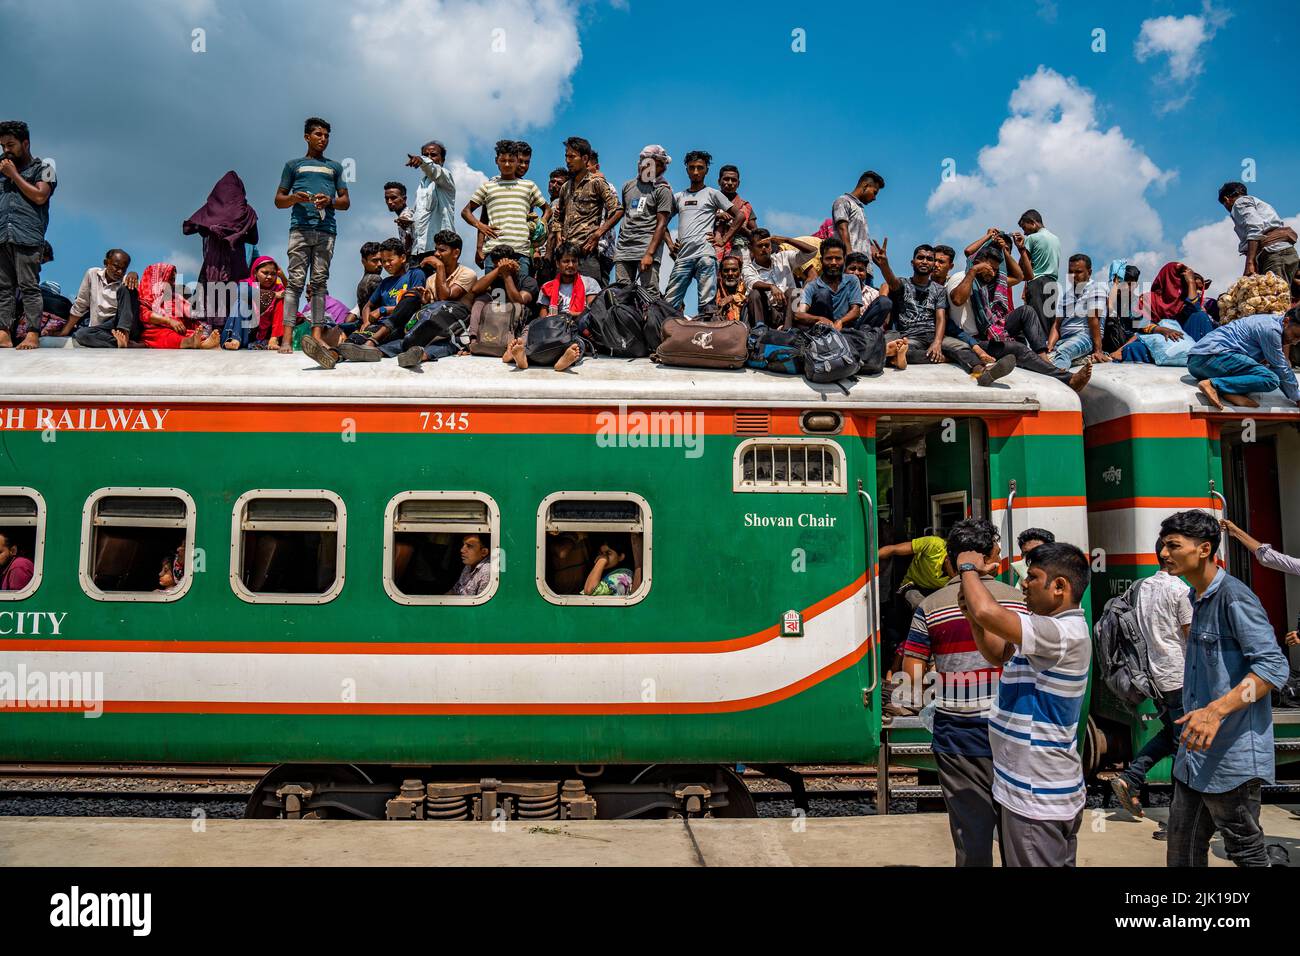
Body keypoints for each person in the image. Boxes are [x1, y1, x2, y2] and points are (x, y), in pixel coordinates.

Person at [1157, 510, 1291, 867]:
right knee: (1181, 851)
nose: (1164, 554)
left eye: (1173, 546)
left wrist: (1216, 711)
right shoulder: (1194, 597)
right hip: (1194, 755)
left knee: (1246, 853)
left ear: (1204, 549)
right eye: (1163, 545)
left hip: (1231, 758)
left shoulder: (1234, 597)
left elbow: (1273, 667)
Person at [959, 540, 1092, 867]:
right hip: (1030, 790)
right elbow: (997, 652)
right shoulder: (1045, 630)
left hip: (1036, 798)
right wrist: (973, 616)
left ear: (1059, 586)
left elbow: (987, 611)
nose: (1022, 584)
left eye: (1032, 577)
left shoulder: (1063, 633)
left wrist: (967, 567)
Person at [902, 518, 1024, 866]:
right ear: (986, 560)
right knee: (1018, 832)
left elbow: (912, 675)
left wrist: (924, 700)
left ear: (949, 561)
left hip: (958, 734)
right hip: (1015, 732)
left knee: (971, 834)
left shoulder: (930, 606)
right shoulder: (1018, 601)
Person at [1109, 538, 1194, 817]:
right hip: (1181, 677)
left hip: (1154, 677)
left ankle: (1130, 778)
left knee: (1173, 736)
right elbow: (1191, 638)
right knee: (1188, 748)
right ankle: (1177, 820)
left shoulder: (1141, 587)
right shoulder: (1181, 591)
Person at [872, 239, 1015, 386]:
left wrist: (937, 343)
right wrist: (884, 265)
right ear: (912, 262)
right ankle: (945, 357)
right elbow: (891, 281)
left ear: (933, 264)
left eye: (929, 259)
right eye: (920, 258)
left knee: (963, 349)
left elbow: (941, 318)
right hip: (910, 336)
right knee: (904, 350)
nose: (924, 261)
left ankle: (983, 374)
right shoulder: (903, 284)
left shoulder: (939, 290)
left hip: (934, 334)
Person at [949, 245, 1091, 391]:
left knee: (1026, 311)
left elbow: (1020, 276)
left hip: (990, 329)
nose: (993, 273)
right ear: (978, 262)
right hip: (974, 341)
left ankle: (1043, 357)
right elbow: (958, 300)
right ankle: (1068, 379)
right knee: (1018, 348)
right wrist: (973, 271)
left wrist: (1006, 250)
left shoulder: (987, 282)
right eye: (990, 268)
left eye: (996, 270)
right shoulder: (961, 278)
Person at [276, 117, 349, 353]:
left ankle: (317, 335)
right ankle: (286, 339)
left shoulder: (335, 167)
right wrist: (294, 198)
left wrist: (330, 201)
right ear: (307, 137)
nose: (323, 139)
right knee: (295, 282)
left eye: (327, 135)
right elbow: (279, 200)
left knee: (319, 283)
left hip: (326, 231)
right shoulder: (293, 165)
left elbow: (346, 202)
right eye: (318, 134)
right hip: (300, 229)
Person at [303, 238, 423, 368]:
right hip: (378, 325)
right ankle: (332, 355)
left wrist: (383, 310)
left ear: (403, 258)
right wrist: (366, 322)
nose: (386, 264)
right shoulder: (385, 283)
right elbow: (367, 306)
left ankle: (338, 353)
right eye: (383, 261)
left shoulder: (415, 275)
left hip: (400, 325)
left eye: (390, 260)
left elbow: (412, 302)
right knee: (355, 336)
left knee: (361, 337)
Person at [0, 120, 56, 350]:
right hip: (2, 234)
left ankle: (32, 333)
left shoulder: (46, 167)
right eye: (2, 146)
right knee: (3, 287)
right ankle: (3, 333)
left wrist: (13, 175)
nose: (6, 150)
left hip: (28, 236)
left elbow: (40, 196)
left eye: (11, 145)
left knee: (28, 286)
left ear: (26, 143)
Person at [463, 140, 548, 279]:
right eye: (503, 160)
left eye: (526, 162)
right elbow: (480, 216)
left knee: (518, 295)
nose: (508, 164)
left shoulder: (528, 187)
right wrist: (479, 246)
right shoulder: (490, 186)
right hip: (495, 250)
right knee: (497, 296)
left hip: (521, 250)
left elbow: (539, 214)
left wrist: (540, 231)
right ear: (497, 161)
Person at [1187, 305, 1300, 411]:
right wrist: (1297, 397)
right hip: (1210, 357)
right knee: (1271, 379)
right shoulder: (1271, 330)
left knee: (1261, 372)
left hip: (1196, 365)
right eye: (1296, 336)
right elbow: (1281, 368)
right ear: (1286, 321)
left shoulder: (1271, 323)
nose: (1295, 342)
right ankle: (1212, 384)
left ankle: (1226, 390)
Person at [183, 170, 259, 323]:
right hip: (236, 261)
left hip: (213, 265)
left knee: (210, 293)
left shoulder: (209, 209)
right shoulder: (247, 211)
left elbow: (191, 229)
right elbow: (254, 239)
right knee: (236, 297)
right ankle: (232, 332)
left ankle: (210, 329)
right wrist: (237, 233)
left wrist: (213, 229)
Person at [504, 242, 591, 373]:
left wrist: (572, 314)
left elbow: (592, 311)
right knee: (531, 327)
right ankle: (518, 353)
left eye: (574, 261)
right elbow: (542, 315)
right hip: (552, 325)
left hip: (573, 325)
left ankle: (565, 359)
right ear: (557, 263)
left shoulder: (589, 283)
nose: (571, 265)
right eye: (566, 261)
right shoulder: (548, 286)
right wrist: (552, 318)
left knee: (577, 343)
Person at [665, 151, 732, 315]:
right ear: (687, 169)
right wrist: (670, 244)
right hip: (683, 256)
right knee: (668, 304)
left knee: (707, 306)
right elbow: (661, 223)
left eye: (700, 168)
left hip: (705, 255)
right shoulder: (679, 197)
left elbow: (738, 216)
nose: (696, 172)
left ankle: (705, 335)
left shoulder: (713, 193)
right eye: (692, 168)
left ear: (706, 170)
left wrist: (723, 239)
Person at [549, 137, 621, 282]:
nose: (568, 161)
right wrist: (558, 238)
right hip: (566, 256)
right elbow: (558, 217)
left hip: (587, 254)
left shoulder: (597, 183)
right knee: (563, 301)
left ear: (585, 158)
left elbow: (618, 210)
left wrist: (598, 234)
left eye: (572, 157)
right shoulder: (565, 187)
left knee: (591, 300)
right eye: (566, 156)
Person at [614, 145, 673, 289]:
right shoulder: (628, 186)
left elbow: (662, 224)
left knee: (649, 294)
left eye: (659, 165)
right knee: (622, 295)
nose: (653, 168)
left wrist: (649, 254)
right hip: (624, 249)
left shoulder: (662, 190)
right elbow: (628, 215)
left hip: (646, 248)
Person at [1218, 181, 1298, 286]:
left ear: (1226, 199)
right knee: (1283, 297)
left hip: (1274, 253)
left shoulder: (1239, 203)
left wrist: (1250, 262)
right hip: (1282, 252)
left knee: (1274, 296)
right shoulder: (1256, 202)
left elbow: (1254, 228)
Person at [57, 249, 139, 343]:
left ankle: (124, 336)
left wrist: (134, 274)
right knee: (80, 334)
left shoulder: (128, 280)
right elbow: (81, 304)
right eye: (116, 267)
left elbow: (134, 306)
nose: (120, 272)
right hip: (102, 329)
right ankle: (121, 343)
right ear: (106, 263)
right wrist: (64, 332)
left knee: (127, 287)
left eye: (123, 269)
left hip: (122, 325)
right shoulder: (92, 274)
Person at [742, 229, 818, 329]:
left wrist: (787, 240)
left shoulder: (784, 257)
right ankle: (759, 331)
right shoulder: (748, 268)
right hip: (769, 314)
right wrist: (771, 287)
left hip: (791, 311)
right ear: (751, 248)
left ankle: (787, 331)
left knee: (793, 292)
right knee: (754, 293)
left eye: (767, 245)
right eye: (760, 246)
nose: (764, 249)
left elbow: (812, 251)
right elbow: (753, 283)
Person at [1048, 253, 1108, 369]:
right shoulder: (1066, 296)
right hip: (1064, 340)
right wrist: (1050, 345)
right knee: (1039, 355)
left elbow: (1093, 319)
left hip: (1085, 337)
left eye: (1078, 272)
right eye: (1071, 272)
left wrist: (1098, 351)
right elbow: (1057, 324)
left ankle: (1064, 380)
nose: (1073, 275)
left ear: (1089, 272)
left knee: (1063, 352)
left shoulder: (1097, 288)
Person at [405, 140, 456, 267]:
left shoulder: (445, 178)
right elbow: (420, 215)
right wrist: (408, 220)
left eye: (433, 155)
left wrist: (422, 161)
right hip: (418, 251)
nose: (429, 158)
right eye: (425, 154)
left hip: (439, 250)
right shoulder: (422, 186)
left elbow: (434, 170)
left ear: (442, 160)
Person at [221, 255, 285, 350]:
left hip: (267, 333)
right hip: (246, 331)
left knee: (282, 300)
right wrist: (273, 294)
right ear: (255, 272)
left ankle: (274, 339)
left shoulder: (278, 287)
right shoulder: (247, 283)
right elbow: (240, 291)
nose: (269, 277)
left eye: (273, 274)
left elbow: (292, 295)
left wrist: (283, 277)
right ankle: (235, 338)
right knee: (243, 300)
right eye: (265, 273)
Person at [1015, 209, 1060, 332]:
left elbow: (1022, 267)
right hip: (1052, 284)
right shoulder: (1055, 239)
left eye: (1025, 228)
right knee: (1050, 320)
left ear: (1033, 223)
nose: (1024, 233)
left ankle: (1040, 350)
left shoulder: (1032, 238)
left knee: (1036, 321)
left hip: (1037, 283)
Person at [832, 171, 885, 262]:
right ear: (865, 186)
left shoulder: (859, 208)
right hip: (850, 265)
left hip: (862, 267)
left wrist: (877, 255)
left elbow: (863, 239)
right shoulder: (843, 201)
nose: (874, 198)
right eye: (874, 192)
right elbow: (842, 229)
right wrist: (849, 256)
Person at [711, 164, 753, 258]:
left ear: (738, 183)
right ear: (719, 181)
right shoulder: (709, 203)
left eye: (734, 180)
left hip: (738, 255)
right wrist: (716, 216)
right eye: (726, 179)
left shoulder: (745, 206)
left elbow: (756, 235)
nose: (730, 183)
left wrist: (740, 228)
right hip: (711, 252)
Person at [354, 242, 384, 329]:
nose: (380, 264)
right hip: (375, 325)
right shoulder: (375, 279)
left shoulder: (362, 282)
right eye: (375, 261)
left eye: (381, 260)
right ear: (364, 261)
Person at [384, 181, 414, 255]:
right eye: (387, 198)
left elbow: (407, 219)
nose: (389, 202)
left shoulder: (406, 215)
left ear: (404, 199)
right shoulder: (403, 215)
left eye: (393, 198)